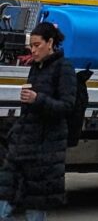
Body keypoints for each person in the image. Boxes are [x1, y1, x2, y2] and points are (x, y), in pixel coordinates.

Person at [0, 19, 77, 218]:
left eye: (37, 45)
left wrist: (38, 99)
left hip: (45, 151)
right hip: (23, 146)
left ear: (49, 43)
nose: (33, 51)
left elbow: (67, 107)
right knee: (5, 201)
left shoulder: (64, 68)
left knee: (35, 207)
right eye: (31, 46)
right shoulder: (36, 67)